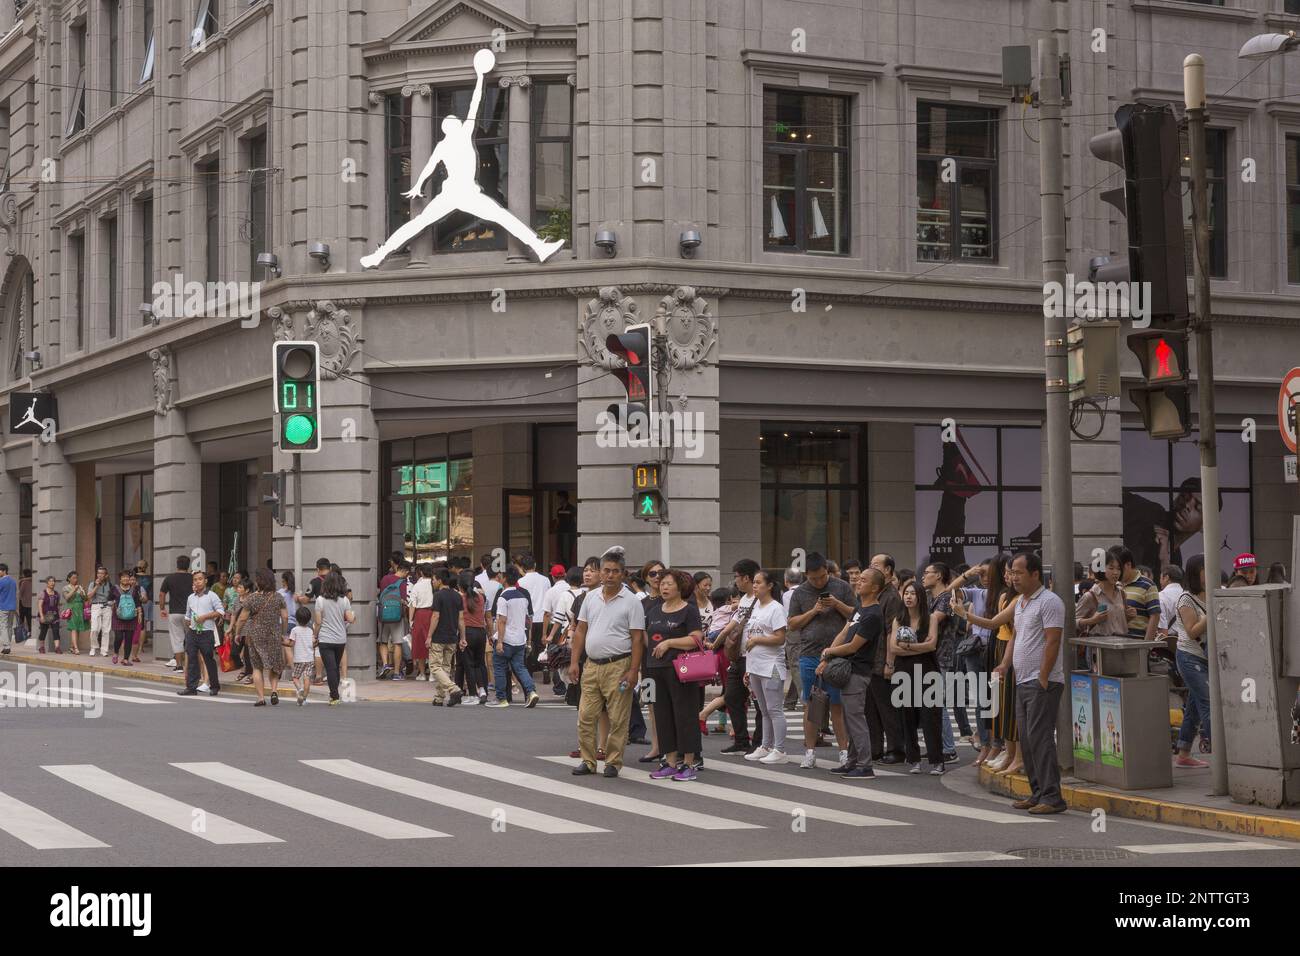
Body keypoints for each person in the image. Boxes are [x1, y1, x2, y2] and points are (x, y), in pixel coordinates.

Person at [359, 48, 565, 268]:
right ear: (450, 127)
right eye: (452, 120)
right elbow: (472, 109)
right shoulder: (459, 136)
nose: (456, 121)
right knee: (499, 217)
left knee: (421, 224)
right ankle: (379, 255)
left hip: (460, 193)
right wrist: (479, 77)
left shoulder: (448, 141)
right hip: (459, 192)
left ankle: (379, 255)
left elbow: (430, 166)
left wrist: (418, 184)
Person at [953, 551, 1068, 815]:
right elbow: (1003, 628)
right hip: (1021, 680)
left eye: (1018, 572)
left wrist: (1043, 676)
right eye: (1012, 572)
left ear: (1035, 573)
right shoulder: (1021, 603)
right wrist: (1005, 663)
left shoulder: (1049, 602)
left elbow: (1053, 641)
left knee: (1040, 740)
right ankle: (1037, 792)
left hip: (1043, 683)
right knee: (1026, 740)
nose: (1012, 577)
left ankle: (1052, 797)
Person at [568, 547, 645, 777]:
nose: (610, 575)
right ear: (601, 573)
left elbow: (638, 638)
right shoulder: (590, 597)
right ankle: (588, 760)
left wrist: (633, 670)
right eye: (606, 571)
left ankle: (613, 761)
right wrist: (574, 662)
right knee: (585, 716)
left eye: (615, 571)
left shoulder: (631, 601)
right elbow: (580, 630)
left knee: (618, 718)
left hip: (619, 666)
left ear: (623, 574)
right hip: (591, 665)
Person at [817, 567, 887, 779]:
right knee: (850, 718)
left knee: (856, 719)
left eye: (864, 580)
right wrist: (827, 657)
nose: (858, 582)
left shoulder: (873, 614)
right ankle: (853, 761)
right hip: (847, 670)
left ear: (875, 588)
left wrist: (829, 651)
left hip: (858, 671)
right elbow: (844, 632)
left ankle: (865, 766)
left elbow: (853, 646)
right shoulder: (860, 608)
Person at [786, 552, 854, 770]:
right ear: (806, 575)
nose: (819, 581)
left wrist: (836, 604)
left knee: (837, 705)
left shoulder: (841, 587)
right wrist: (814, 611)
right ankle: (809, 751)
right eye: (814, 578)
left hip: (837, 655)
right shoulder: (800, 593)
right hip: (809, 653)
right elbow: (793, 624)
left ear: (827, 570)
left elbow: (856, 615)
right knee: (811, 704)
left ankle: (844, 751)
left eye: (822, 576)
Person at [644, 569, 705, 781]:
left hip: (681, 670)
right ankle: (669, 762)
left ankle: (689, 763)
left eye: (669, 584)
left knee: (685, 715)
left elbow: (697, 638)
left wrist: (670, 642)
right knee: (662, 715)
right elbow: (646, 637)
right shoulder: (653, 611)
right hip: (655, 668)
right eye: (662, 584)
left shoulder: (688, 610)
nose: (664, 587)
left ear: (680, 588)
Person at [889, 578, 945, 774]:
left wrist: (909, 647)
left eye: (913, 593)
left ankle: (937, 760)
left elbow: (932, 645)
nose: (909, 597)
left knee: (931, 717)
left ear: (920, 597)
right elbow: (894, 648)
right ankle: (913, 759)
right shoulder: (898, 619)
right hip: (903, 671)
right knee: (907, 716)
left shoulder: (931, 618)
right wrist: (918, 648)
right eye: (906, 593)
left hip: (928, 671)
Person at [711, 558, 762, 754]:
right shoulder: (744, 600)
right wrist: (714, 644)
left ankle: (759, 743)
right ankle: (742, 740)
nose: (736, 581)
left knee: (760, 704)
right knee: (732, 697)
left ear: (746, 578)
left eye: (737, 577)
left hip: (754, 658)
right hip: (738, 657)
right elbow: (730, 627)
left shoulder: (761, 600)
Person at [742, 569, 789, 765]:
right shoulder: (756, 607)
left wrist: (758, 640)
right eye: (754, 582)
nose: (755, 585)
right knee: (763, 709)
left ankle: (780, 749)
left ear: (770, 585)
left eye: (759, 582)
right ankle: (766, 745)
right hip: (755, 666)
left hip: (772, 667)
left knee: (774, 708)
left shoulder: (776, 608)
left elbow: (780, 638)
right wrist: (748, 668)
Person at [921, 562, 963, 762]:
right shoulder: (933, 598)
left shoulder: (946, 598)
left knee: (938, 704)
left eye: (927, 573)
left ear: (938, 576)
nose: (923, 576)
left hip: (942, 657)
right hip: (932, 656)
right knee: (932, 703)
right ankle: (937, 746)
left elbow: (933, 619)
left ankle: (948, 749)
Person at [1173, 555, 1211, 767]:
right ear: (1196, 572)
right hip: (1189, 657)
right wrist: (1209, 615)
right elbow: (1192, 630)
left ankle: (1184, 753)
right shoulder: (1186, 599)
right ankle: (1225, 755)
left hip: (1207, 657)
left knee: (1195, 707)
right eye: (1205, 568)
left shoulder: (1214, 591)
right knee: (1208, 702)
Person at [867, 554, 906, 764]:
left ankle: (896, 749)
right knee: (871, 709)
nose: (872, 569)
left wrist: (890, 663)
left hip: (883, 660)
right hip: (870, 661)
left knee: (887, 709)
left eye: (876, 566)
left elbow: (893, 631)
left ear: (889, 570)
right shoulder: (875, 594)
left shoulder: (891, 596)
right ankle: (875, 748)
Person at [488, 568, 539, 708]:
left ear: (504, 578)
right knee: (520, 668)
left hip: (506, 639)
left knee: (499, 667)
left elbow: (502, 620)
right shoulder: (523, 596)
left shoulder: (503, 597)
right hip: (520, 639)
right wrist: (527, 640)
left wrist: (499, 642)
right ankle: (531, 691)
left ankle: (501, 698)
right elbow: (528, 620)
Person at [243, 568, 289, 707]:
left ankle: (261, 698)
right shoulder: (278, 597)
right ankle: (274, 691)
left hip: (255, 635)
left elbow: (242, 618)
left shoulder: (251, 598)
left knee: (257, 667)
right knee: (274, 665)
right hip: (274, 634)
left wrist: (238, 632)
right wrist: (283, 632)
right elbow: (285, 617)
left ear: (259, 581)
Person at [177, 570, 224, 696]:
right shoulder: (190, 597)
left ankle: (214, 686)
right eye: (195, 580)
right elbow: (187, 615)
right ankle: (191, 687)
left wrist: (205, 617)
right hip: (193, 632)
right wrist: (188, 627)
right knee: (192, 659)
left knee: (208, 659)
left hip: (206, 632)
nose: (197, 582)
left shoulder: (211, 595)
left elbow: (220, 611)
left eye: (200, 579)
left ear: (205, 581)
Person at [313, 571, 354, 706]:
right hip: (340, 639)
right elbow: (350, 619)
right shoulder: (345, 600)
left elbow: (318, 622)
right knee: (335, 667)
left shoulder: (320, 600)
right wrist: (353, 615)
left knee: (330, 668)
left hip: (325, 639)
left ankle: (334, 696)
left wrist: (315, 635)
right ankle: (334, 695)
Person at [428, 570, 465, 707]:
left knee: (435, 667)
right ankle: (439, 697)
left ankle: (453, 689)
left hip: (439, 636)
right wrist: (462, 637)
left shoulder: (438, 596)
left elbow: (435, 616)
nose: (432, 582)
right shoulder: (457, 596)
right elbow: (461, 619)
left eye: (433, 579)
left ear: (439, 580)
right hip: (452, 637)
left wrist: (429, 636)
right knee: (445, 667)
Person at [1110, 546, 1159, 641]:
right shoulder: (1112, 584)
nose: (1116, 573)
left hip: (1136, 644)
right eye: (1112, 568)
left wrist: (1146, 645)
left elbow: (1155, 616)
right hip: (1113, 642)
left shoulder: (1148, 585)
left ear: (1128, 564)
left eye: (1119, 568)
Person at [516, 552, 552, 676]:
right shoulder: (545, 580)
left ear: (523, 567)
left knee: (529, 645)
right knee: (543, 645)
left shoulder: (520, 581)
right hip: (543, 617)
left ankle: (529, 671)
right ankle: (545, 668)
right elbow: (549, 597)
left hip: (528, 618)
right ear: (535, 565)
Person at [457, 571, 489, 704]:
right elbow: (480, 593)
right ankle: (482, 690)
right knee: (480, 663)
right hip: (481, 632)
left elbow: (461, 620)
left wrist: (462, 638)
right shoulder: (481, 597)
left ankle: (472, 694)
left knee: (468, 664)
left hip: (468, 632)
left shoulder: (461, 599)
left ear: (460, 586)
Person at [158, 555, 193, 673]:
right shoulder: (193, 578)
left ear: (177, 564)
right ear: (188, 565)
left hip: (174, 613)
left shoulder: (169, 578)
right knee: (191, 639)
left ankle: (179, 666)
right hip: (190, 613)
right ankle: (191, 665)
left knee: (177, 640)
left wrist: (162, 608)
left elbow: (162, 594)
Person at [376, 557, 409, 680]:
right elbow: (404, 600)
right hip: (397, 616)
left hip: (384, 614)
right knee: (397, 643)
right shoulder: (402, 583)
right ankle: (396, 673)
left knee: (383, 641)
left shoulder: (385, 579)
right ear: (404, 571)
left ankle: (385, 664)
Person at [108, 569, 145, 666]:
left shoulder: (134, 589)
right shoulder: (114, 588)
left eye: (127, 577)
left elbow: (137, 602)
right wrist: (113, 604)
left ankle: (125, 659)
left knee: (129, 639)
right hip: (118, 617)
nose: (125, 579)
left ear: (130, 579)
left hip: (131, 616)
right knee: (119, 637)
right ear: (120, 579)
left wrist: (140, 614)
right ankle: (116, 652)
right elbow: (109, 600)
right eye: (123, 577)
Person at [782, 567, 805, 710]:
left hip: (794, 632)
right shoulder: (806, 592)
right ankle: (790, 702)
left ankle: (805, 700)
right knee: (797, 666)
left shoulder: (787, 595)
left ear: (786, 581)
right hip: (807, 631)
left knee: (796, 667)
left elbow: (787, 617)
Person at [407, 563, 435, 681]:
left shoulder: (417, 585)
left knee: (420, 644)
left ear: (421, 573)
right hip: (433, 614)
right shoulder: (435, 583)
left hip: (420, 615)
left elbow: (412, 604)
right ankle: (434, 674)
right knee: (434, 645)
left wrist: (410, 620)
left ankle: (422, 674)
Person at [285, 606, 316, 705]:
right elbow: (313, 644)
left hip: (299, 659)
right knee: (307, 678)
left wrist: (282, 642)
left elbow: (291, 644)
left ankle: (300, 688)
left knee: (295, 677)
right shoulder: (310, 631)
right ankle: (304, 699)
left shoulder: (294, 630)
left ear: (297, 619)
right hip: (310, 659)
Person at [86, 566, 113, 657]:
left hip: (107, 607)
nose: (100, 575)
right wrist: (97, 586)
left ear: (106, 575)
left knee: (106, 630)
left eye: (102, 573)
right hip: (96, 606)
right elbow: (89, 596)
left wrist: (112, 603)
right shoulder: (92, 584)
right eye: (98, 573)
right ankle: (93, 647)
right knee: (94, 629)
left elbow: (113, 597)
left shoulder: (110, 584)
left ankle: (104, 650)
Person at [1157, 564, 1184, 643]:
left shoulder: (1161, 596)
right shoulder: (1187, 595)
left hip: (1170, 643)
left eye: (1160, 578)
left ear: (1166, 577)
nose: (1160, 581)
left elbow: (1163, 630)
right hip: (1188, 643)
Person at [62, 572, 88, 656]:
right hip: (72, 608)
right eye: (73, 578)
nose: (75, 579)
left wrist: (82, 593)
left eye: (76, 578)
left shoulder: (80, 587)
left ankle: (72, 647)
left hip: (80, 608)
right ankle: (76, 648)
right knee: (73, 628)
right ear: (69, 578)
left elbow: (86, 598)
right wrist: (74, 590)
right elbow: (67, 597)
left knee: (78, 629)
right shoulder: (66, 587)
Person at [36, 576, 62, 654]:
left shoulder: (57, 594)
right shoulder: (43, 593)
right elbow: (40, 605)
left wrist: (59, 613)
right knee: (43, 631)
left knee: (56, 631)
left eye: (53, 581)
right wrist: (41, 616)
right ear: (47, 583)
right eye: (50, 581)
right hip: (45, 615)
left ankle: (57, 648)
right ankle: (41, 647)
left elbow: (57, 605)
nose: (52, 583)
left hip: (54, 615)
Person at [133, 560, 152, 662]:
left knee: (137, 623)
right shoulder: (150, 577)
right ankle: (141, 647)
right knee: (143, 624)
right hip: (148, 601)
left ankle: (135, 645)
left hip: (137, 600)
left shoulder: (134, 577)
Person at [554, 490, 577, 567]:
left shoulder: (572, 509)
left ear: (564, 498)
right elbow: (558, 521)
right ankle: (563, 566)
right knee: (561, 551)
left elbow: (575, 521)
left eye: (559, 498)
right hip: (561, 533)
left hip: (569, 534)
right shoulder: (559, 510)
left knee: (568, 552)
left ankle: (568, 567)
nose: (558, 500)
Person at [17, 568, 32, 645]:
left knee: (21, 619)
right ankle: (30, 631)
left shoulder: (23, 582)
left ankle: (21, 634)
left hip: (23, 603)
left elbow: (20, 593)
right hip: (31, 604)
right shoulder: (33, 581)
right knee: (30, 619)